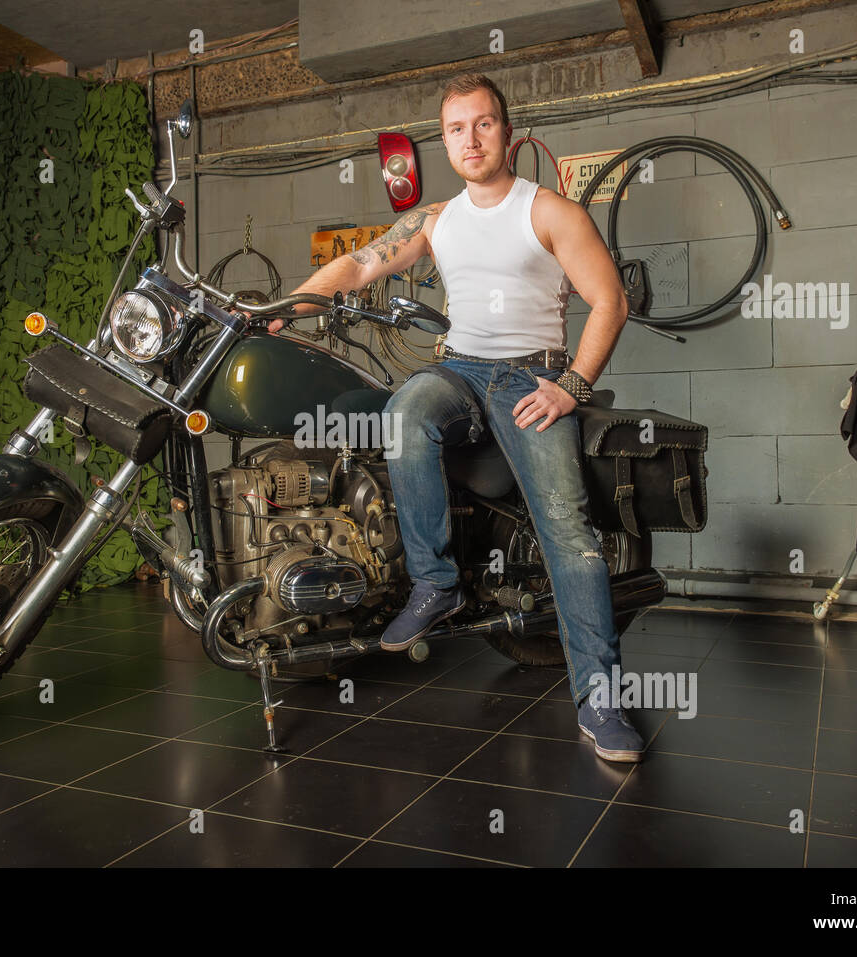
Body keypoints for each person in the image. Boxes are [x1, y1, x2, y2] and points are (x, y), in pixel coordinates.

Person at [266, 73, 642, 762]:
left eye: (484, 124)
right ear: (444, 141)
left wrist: (573, 387)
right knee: (405, 411)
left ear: (507, 129)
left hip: (533, 374)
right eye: (456, 128)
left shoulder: (552, 212)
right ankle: (435, 583)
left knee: (568, 528)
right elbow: (357, 266)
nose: (471, 139)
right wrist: (282, 309)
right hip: (460, 369)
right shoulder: (436, 219)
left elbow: (609, 301)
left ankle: (601, 702)